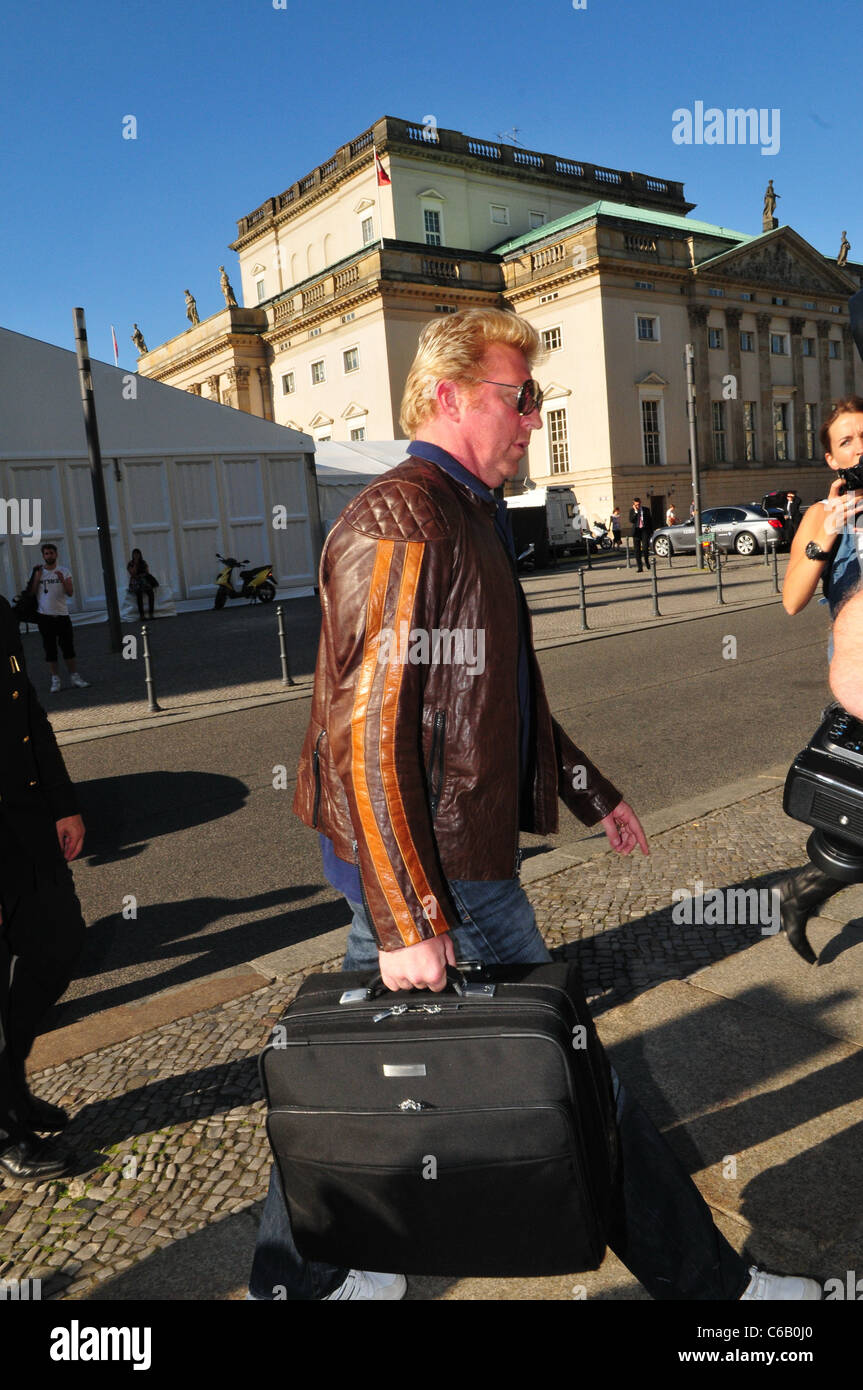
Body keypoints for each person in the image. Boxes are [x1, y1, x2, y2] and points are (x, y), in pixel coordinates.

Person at [248, 306, 818, 1302]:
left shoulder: (464, 510)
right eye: (520, 398)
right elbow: (367, 738)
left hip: (435, 867)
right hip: (440, 876)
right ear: (449, 396)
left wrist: (591, 792)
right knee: (574, 1086)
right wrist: (409, 916)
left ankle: (305, 1277)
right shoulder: (402, 517)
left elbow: (496, 696)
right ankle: (722, 1303)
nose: (532, 416)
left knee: (359, 1078)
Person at [0, 594, 86, 1179]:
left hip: (25, 825)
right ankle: (5, 1131)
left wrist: (63, 804)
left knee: (61, 946)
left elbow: (28, 713)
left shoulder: (0, 611)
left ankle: (8, 1085)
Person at [776, 397, 863, 960]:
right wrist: (826, 535)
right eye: (848, 442)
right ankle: (801, 891)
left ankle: (801, 891)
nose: (860, 448)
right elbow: (791, 600)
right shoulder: (820, 516)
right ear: (832, 460)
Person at [29, 543, 90, 693]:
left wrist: (62, 579)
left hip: (62, 615)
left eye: (51, 553)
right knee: (50, 649)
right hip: (45, 617)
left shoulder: (64, 571)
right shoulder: (38, 572)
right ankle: (55, 679)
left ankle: (74, 677)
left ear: (56, 554)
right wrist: (36, 578)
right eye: (46, 553)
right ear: (43, 556)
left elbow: (70, 592)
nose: (49, 556)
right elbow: (31, 593)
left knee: (68, 647)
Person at [127, 548, 156, 621]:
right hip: (136, 581)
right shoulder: (130, 563)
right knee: (139, 595)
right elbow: (132, 573)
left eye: (137, 554)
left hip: (144, 581)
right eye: (134, 554)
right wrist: (136, 564)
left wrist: (144, 575)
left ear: (140, 555)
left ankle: (151, 614)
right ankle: (142, 615)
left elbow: (147, 572)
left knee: (151, 594)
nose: (136, 556)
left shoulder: (143, 562)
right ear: (132, 555)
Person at [629, 496, 654, 572]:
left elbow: (650, 521)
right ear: (634, 505)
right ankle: (640, 567)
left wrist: (651, 531)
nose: (638, 506)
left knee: (645, 548)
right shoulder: (632, 511)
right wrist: (636, 511)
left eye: (639, 504)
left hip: (644, 531)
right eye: (636, 505)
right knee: (637, 550)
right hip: (636, 531)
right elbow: (632, 520)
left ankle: (647, 562)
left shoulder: (646, 510)